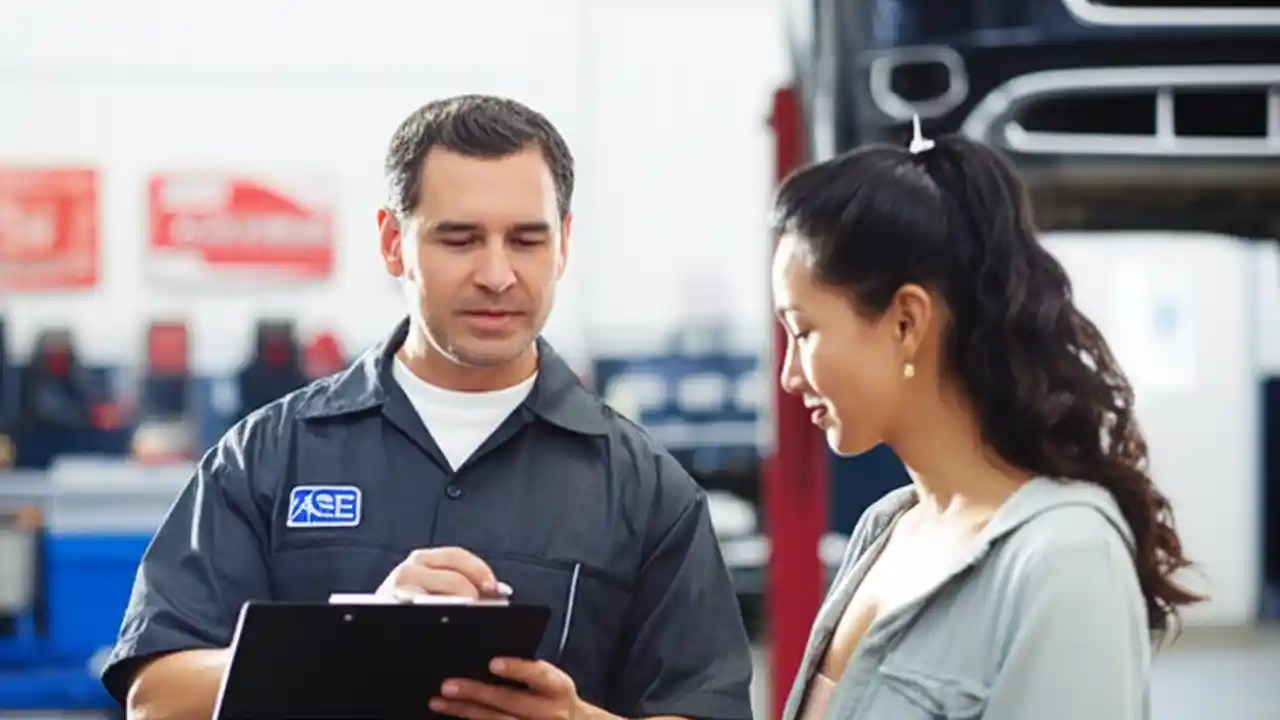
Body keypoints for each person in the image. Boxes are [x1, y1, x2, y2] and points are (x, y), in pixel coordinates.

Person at [101, 94, 755, 720]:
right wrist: (352, 645)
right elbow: (156, 699)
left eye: (526, 240)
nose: (497, 275)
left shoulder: (647, 492)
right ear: (394, 242)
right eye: (460, 240)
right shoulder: (268, 459)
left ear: (564, 242)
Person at [769, 121, 1204, 719]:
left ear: (906, 322)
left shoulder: (1064, 559)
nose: (790, 375)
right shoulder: (887, 529)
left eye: (803, 332)